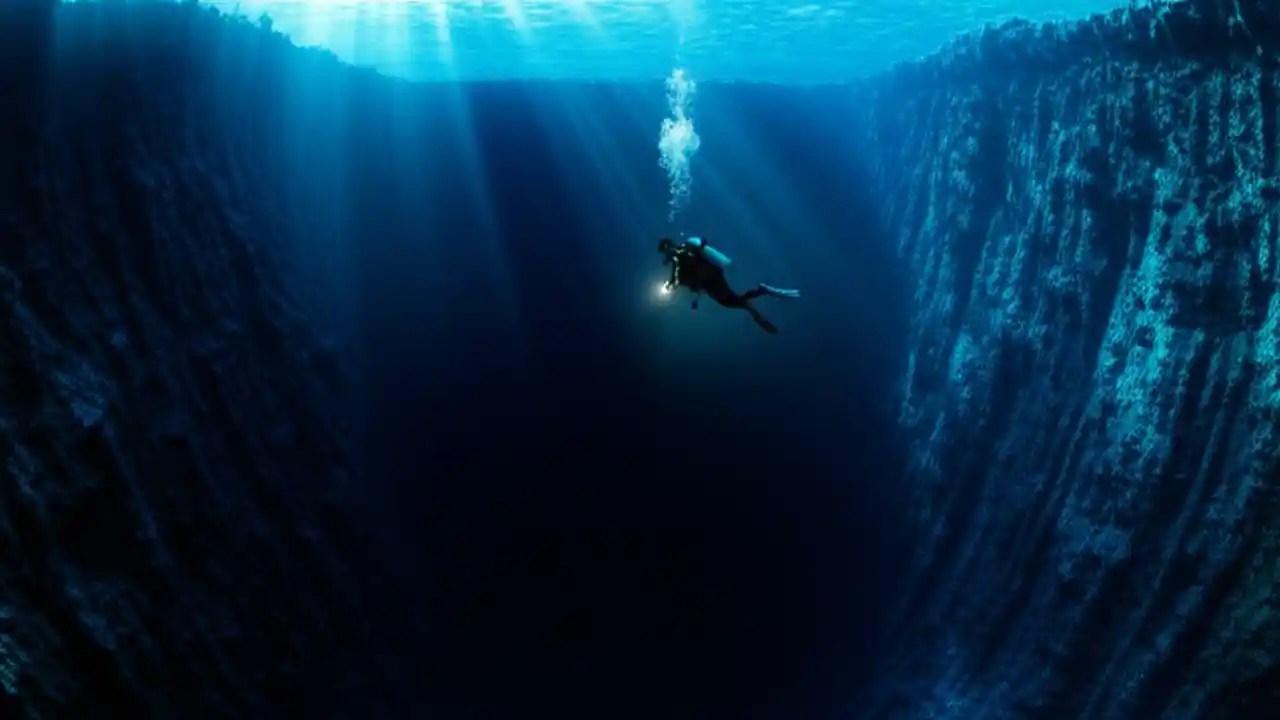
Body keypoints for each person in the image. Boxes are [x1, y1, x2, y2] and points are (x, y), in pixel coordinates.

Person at [658, 236, 799, 334]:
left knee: (733, 301)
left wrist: (671, 285)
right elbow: (683, 279)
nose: (669, 254)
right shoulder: (683, 257)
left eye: (667, 251)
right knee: (733, 301)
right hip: (712, 283)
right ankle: (760, 296)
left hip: (714, 282)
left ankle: (760, 296)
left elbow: (681, 277)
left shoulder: (683, 256)